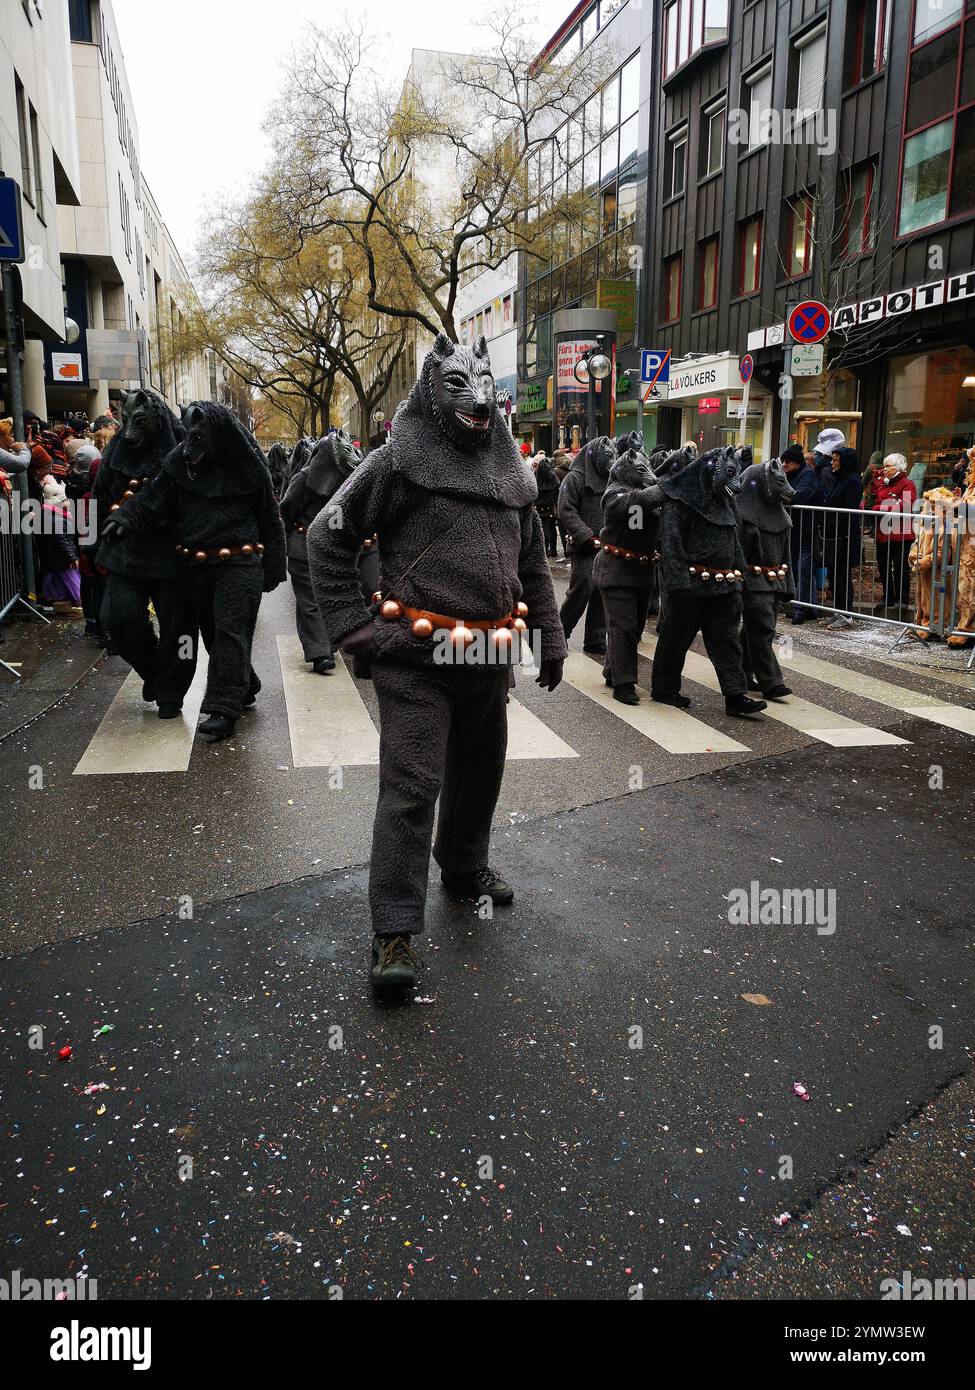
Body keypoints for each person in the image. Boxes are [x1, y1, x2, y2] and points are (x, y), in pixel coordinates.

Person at [307, 333, 566, 993]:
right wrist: (348, 625)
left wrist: (550, 633)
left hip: (487, 652)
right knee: (412, 788)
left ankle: (461, 864)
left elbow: (531, 562)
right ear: (433, 388)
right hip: (416, 655)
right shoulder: (397, 461)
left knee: (479, 773)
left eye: (482, 385)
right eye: (458, 385)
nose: (476, 399)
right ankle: (393, 927)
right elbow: (326, 536)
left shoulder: (513, 472)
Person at [103, 401, 287, 739]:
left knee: (230, 633)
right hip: (196, 567)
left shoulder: (250, 468)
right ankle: (244, 684)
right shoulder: (178, 464)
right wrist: (123, 519)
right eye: (187, 438)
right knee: (215, 637)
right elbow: (151, 499)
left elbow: (270, 519)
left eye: (197, 439)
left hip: (239, 565)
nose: (188, 449)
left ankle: (222, 708)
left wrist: (275, 564)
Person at [90, 389, 197, 715]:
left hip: (173, 555)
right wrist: (92, 546)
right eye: (127, 421)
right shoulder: (115, 452)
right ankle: (152, 672)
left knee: (180, 633)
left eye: (138, 422)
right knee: (119, 619)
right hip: (126, 553)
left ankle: (172, 688)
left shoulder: (182, 450)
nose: (130, 429)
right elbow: (97, 501)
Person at [650, 446, 766, 717]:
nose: (735, 484)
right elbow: (671, 544)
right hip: (691, 586)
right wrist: (678, 583)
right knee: (675, 639)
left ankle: (735, 695)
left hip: (724, 587)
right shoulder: (679, 501)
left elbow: (733, 542)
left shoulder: (726, 503)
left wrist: (741, 577)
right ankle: (664, 688)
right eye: (729, 475)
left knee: (727, 642)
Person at [279, 431, 363, 673]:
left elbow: (287, 509)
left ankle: (321, 649)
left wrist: (285, 537)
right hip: (333, 548)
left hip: (304, 544)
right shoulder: (352, 482)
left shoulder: (303, 478)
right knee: (324, 598)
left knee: (309, 602)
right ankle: (323, 648)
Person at [594, 441, 662, 705]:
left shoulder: (645, 494)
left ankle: (613, 670)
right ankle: (625, 683)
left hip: (641, 573)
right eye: (641, 471)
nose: (649, 476)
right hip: (616, 571)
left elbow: (643, 516)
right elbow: (635, 507)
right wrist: (662, 488)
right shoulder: (615, 494)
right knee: (622, 627)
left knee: (633, 628)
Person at [736, 457, 795, 698]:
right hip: (753, 580)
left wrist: (789, 586)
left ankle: (742, 672)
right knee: (763, 629)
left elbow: (787, 556)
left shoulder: (781, 517)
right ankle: (771, 681)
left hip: (774, 581)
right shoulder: (744, 516)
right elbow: (737, 555)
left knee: (752, 630)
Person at [557, 435, 612, 654]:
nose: (612, 461)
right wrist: (584, 534)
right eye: (608, 456)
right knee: (582, 589)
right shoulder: (576, 477)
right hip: (586, 546)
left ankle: (596, 637)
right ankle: (560, 632)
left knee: (601, 591)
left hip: (606, 546)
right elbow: (565, 509)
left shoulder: (610, 478)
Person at [866, 453, 917, 613]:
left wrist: (879, 509)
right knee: (883, 566)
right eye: (884, 466)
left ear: (898, 468)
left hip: (901, 533)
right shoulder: (883, 484)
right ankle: (887, 597)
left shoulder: (908, 484)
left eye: (888, 466)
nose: (884, 469)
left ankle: (902, 599)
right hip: (883, 532)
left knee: (901, 567)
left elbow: (906, 505)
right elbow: (875, 499)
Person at [820, 446, 863, 631]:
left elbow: (847, 509)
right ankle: (838, 612)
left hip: (844, 537)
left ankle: (846, 614)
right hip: (834, 535)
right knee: (835, 575)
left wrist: (831, 521)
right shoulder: (839, 479)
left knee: (843, 576)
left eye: (836, 460)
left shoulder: (852, 481)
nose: (832, 463)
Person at [781, 443, 822, 623]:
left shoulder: (808, 475)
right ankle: (809, 606)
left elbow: (797, 496)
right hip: (796, 528)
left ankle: (801, 608)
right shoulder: (791, 474)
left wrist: (782, 496)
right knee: (800, 569)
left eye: (787, 462)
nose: (784, 465)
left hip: (807, 528)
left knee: (803, 568)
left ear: (796, 463)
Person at [37, 476, 82, 615]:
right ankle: (78, 601)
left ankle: (55, 599)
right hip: (60, 558)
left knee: (55, 580)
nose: (67, 502)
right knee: (71, 581)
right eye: (64, 500)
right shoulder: (56, 518)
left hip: (53, 557)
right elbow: (62, 540)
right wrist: (72, 557)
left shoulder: (49, 515)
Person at [531, 451, 561, 557]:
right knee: (544, 532)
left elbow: (557, 491)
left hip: (550, 508)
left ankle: (552, 550)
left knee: (550, 531)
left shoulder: (552, 477)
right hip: (539, 508)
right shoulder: (536, 476)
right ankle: (543, 551)